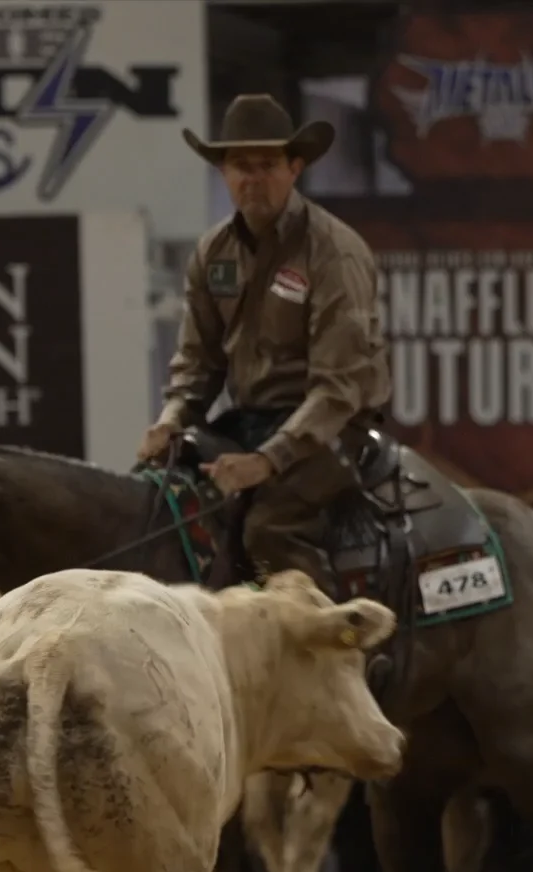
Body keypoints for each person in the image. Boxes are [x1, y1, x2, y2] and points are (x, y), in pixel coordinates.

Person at [138, 93, 392, 598]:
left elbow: (337, 389)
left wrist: (266, 461)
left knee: (267, 529)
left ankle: (328, 650)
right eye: (240, 166)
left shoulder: (333, 252)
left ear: (294, 167)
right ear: (224, 173)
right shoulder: (214, 252)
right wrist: (170, 420)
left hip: (334, 430)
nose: (253, 178)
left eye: (267, 164)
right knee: (153, 503)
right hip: (250, 422)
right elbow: (198, 363)